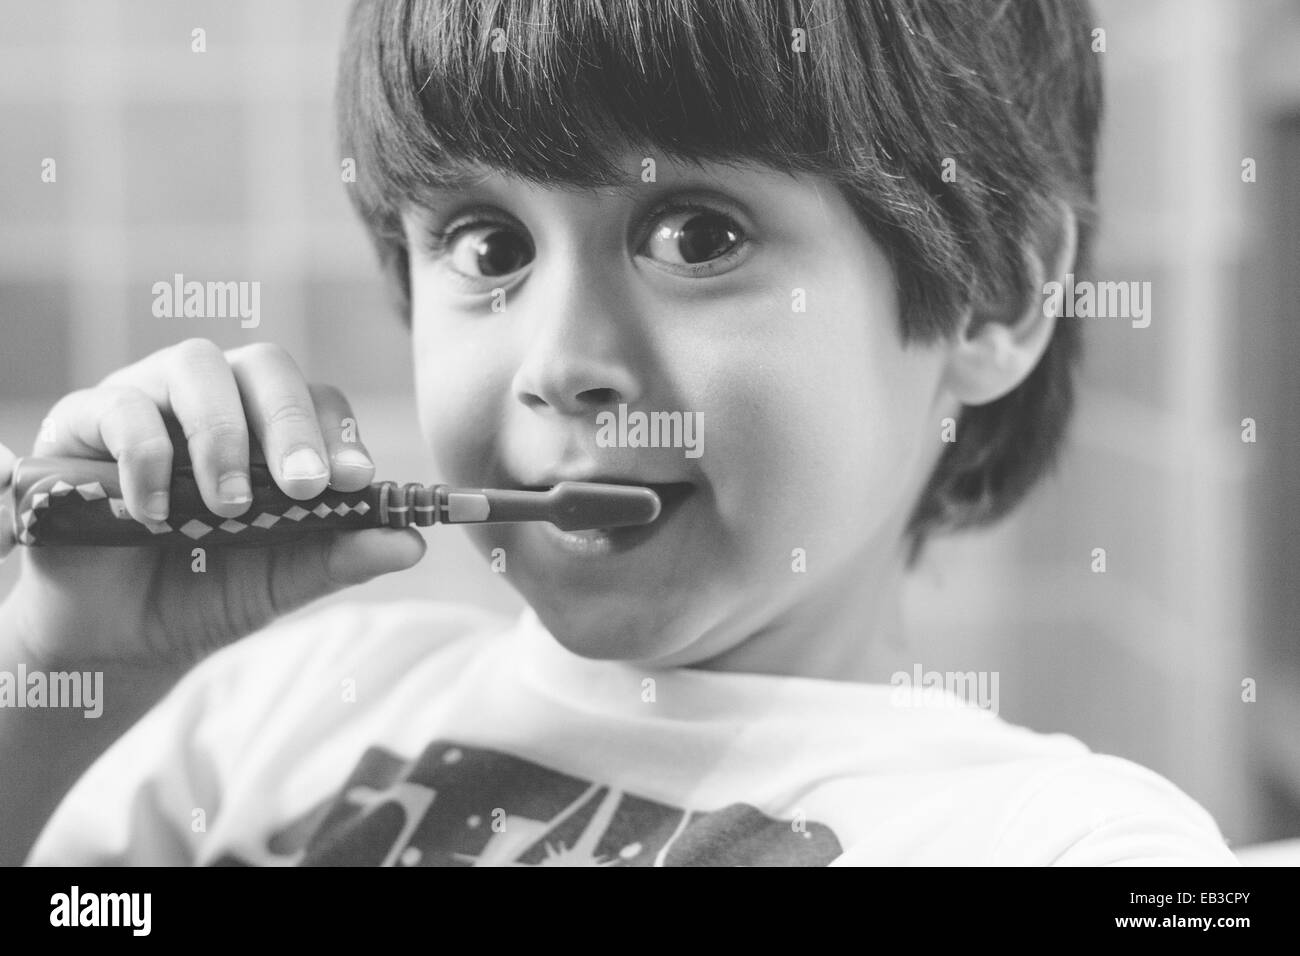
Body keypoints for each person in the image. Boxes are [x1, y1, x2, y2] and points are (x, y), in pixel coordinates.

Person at [0, 0, 1237, 865]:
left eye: (697, 234)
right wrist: (60, 673)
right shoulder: (260, 711)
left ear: (997, 294)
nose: (560, 364)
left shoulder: (1055, 838)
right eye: (487, 244)